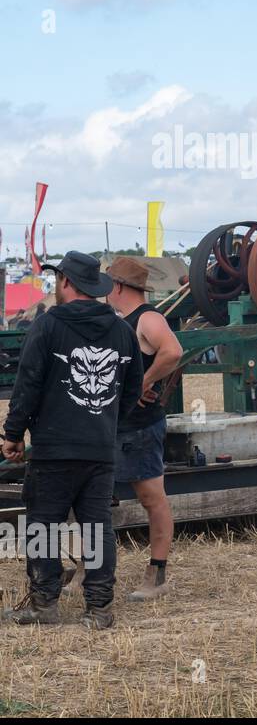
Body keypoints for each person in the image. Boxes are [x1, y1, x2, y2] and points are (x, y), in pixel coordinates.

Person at [2, 251, 141, 629]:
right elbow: (132, 390)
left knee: (43, 526)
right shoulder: (122, 331)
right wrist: (108, 425)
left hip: (54, 448)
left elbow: (27, 384)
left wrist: (13, 434)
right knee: (97, 526)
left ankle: (45, 605)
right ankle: (99, 609)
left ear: (65, 282)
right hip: (99, 449)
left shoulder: (48, 326)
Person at [105, 257, 183, 602]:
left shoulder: (147, 319)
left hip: (139, 427)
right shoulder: (119, 321)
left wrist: (142, 383)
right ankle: (86, 569)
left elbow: (173, 351)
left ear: (117, 287)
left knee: (152, 498)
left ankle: (157, 574)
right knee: (90, 499)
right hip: (113, 426)